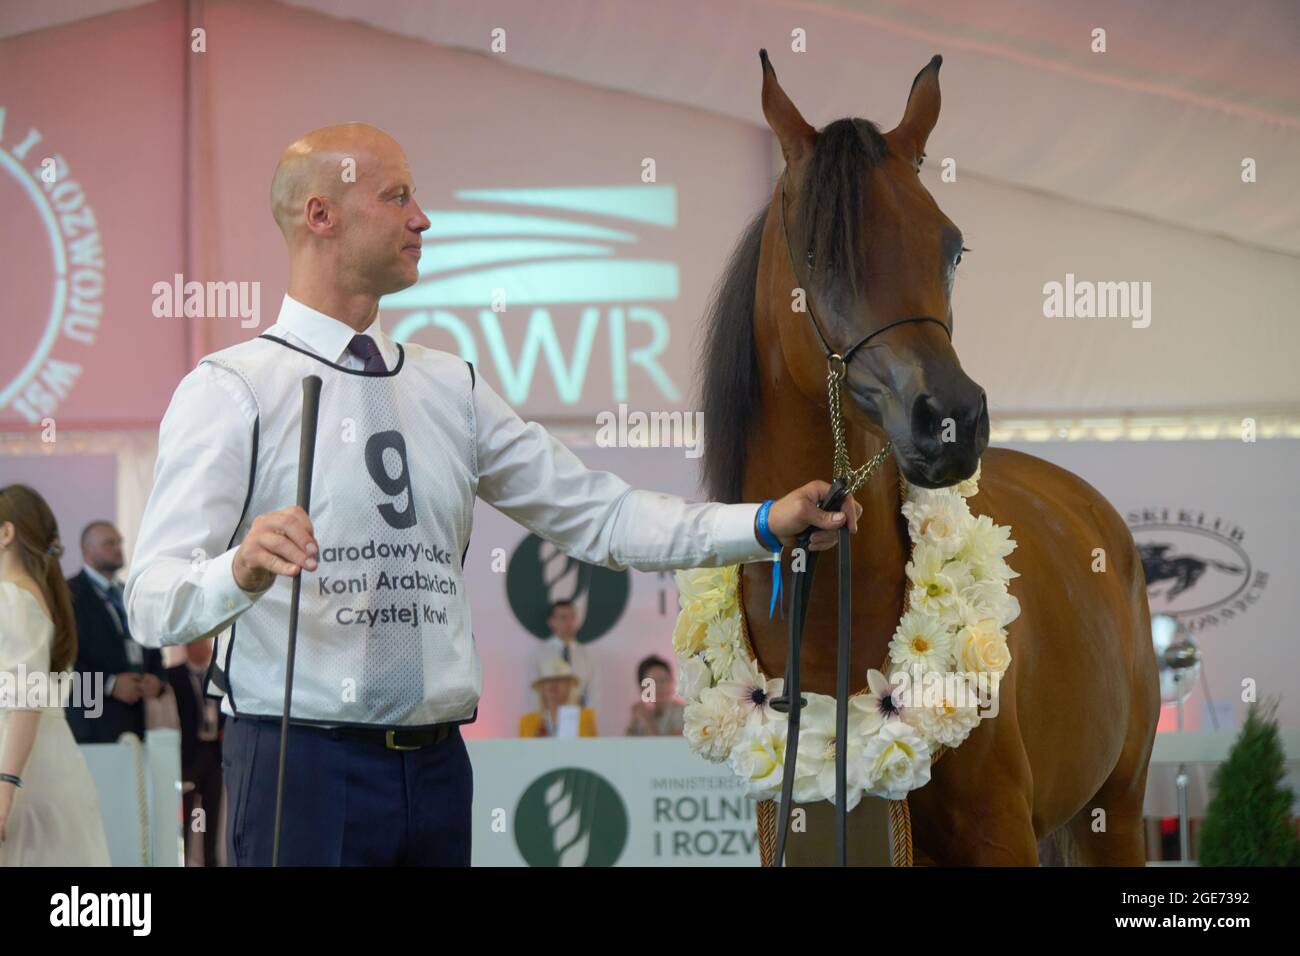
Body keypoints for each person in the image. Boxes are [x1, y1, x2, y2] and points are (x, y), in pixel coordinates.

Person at [125, 122, 862, 867]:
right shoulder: (234, 388)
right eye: (398, 197)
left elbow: (599, 515)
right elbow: (153, 600)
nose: (423, 218)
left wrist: (768, 521)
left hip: (440, 770)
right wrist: (240, 569)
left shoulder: (450, 386)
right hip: (300, 769)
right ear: (321, 216)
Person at [0, 485, 111, 866]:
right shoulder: (39, 598)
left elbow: (25, 704)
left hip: (21, 772)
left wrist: (5, 786)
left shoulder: (12, 598)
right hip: (49, 764)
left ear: (6, 532)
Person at [65, 521, 167, 743]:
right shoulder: (68, 595)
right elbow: (62, 667)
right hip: (91, 726)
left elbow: (152, 642)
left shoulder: (130, 594)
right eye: (108, 543)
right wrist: (109, 685)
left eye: (119, 542)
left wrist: (157, 680)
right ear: (87, 551)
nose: (118, 548)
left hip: (137, 723)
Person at [167, 637, 224, 866]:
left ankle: (212, 861)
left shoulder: (216, 677)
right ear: (190, 645)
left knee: (213, 813)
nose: (209, 648)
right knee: (186, 814)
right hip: (187, 756)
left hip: (214, 754)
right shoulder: (172, 675)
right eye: (204, 642)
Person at [526, 600, 598, 710]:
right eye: (563, 618)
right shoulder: (539, 653)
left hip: (579, 717)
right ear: (551, 622)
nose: (569, 622)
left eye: (572, 617)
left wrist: (587, 720)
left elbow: (594, 694)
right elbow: (534, 693)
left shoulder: (588, 655)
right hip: (547, 718)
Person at [518, 659, 596, 738]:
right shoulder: (527, 722)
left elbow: (591, 748)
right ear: (541, 687)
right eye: (547, 680)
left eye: (559, 679)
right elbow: (522, 749)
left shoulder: (585, 718)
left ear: (569, 685)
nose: (553, 684)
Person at [626, 654, 684, 736]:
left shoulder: (682, 712)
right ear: (642, 687)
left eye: (664, 680)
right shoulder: (640, 713)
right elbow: (626, 746)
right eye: (653, 682)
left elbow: (668, 747)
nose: (660, 686)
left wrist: (648, 722)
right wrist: (633, 723)